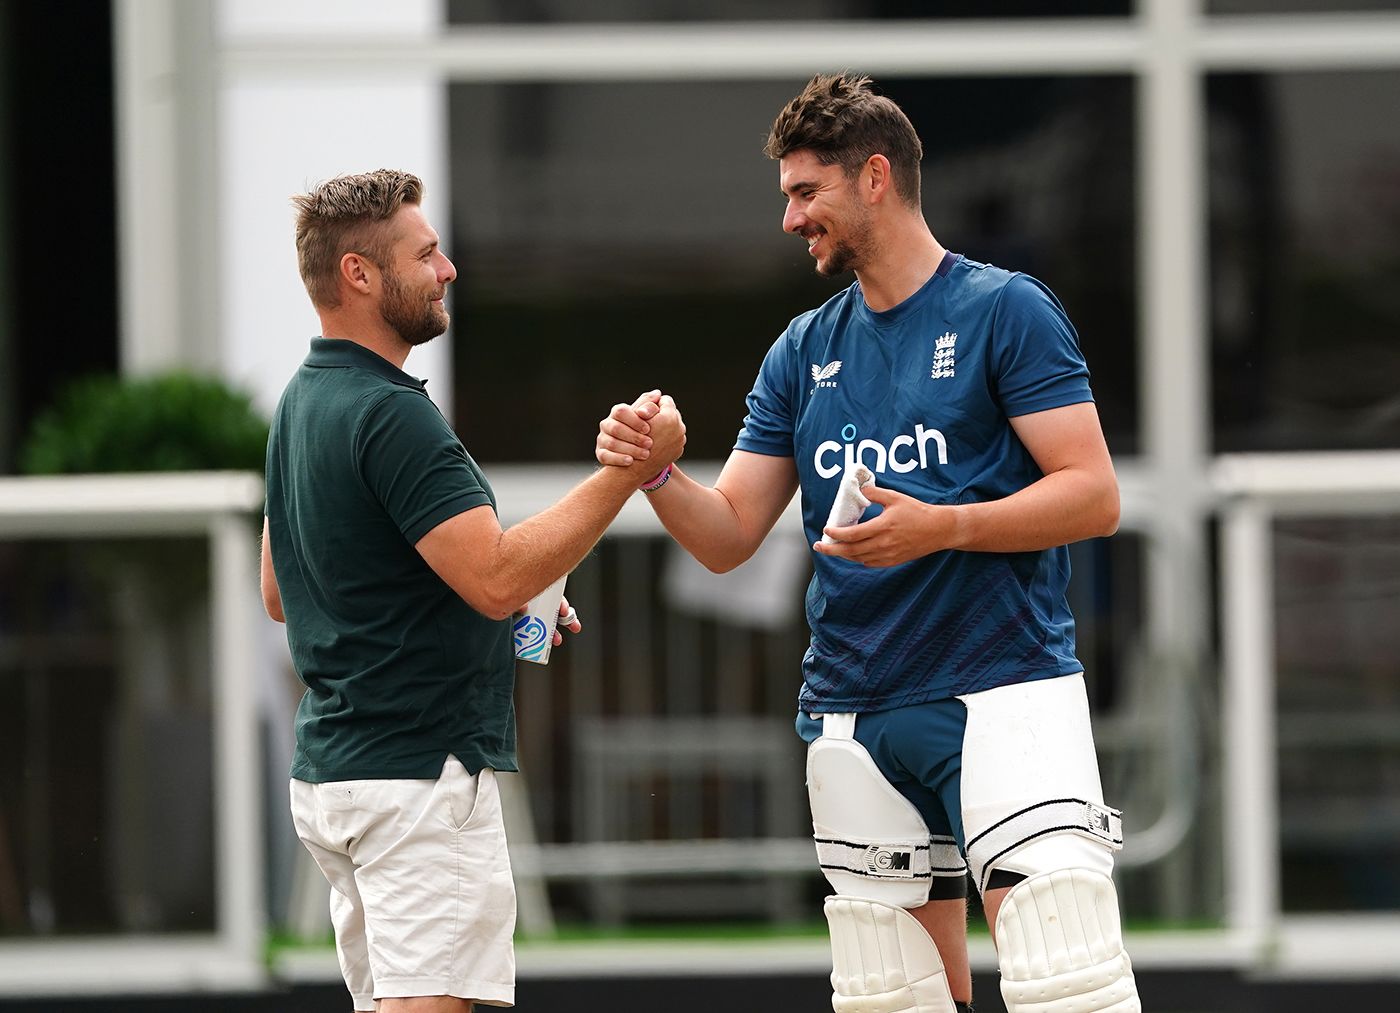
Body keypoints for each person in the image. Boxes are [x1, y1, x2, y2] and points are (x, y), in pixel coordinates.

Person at [596, 75, 1139, 1013]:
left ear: (875, 177)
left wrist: (946, 526)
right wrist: (653, 473)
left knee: (1067, 979)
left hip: (1001, 688)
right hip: (854, 708)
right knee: (896, 998)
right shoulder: (801, 349)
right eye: (787, 197)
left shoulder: (1005, 310)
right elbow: (729, 537)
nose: (791, 219)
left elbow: (1094, 496)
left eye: (807, 193)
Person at [260, 168, 684, 1013]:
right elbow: (495, 577)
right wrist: (632, 470)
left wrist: (492, 599)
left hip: (340, 778)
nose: (449, 268)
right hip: (418, 775)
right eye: (426, 253)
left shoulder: (300, 402)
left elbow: (283, 589)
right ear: (360, 274)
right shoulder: (393, 413)